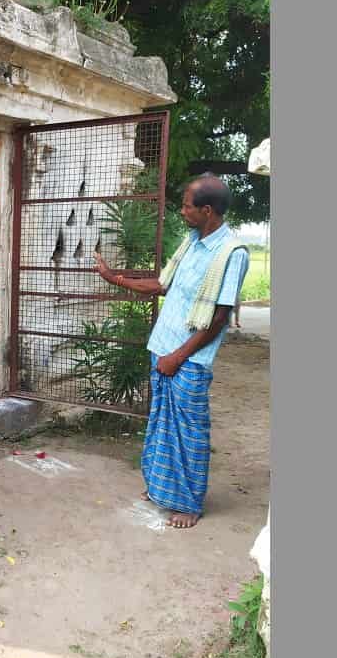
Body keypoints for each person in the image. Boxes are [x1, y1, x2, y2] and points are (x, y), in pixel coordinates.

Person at [93, 173, 249, 528]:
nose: (182, 212)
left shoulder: (231, 253)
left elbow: (218, 319)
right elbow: (162, 285)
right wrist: (113, 277)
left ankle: (189, 504)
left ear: (207, 210)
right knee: (162, 424)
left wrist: (177, 357)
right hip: (161, 350)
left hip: (187, 359)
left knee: (190, 430)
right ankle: (162, 489)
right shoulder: (191, 242)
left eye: (187, 206)